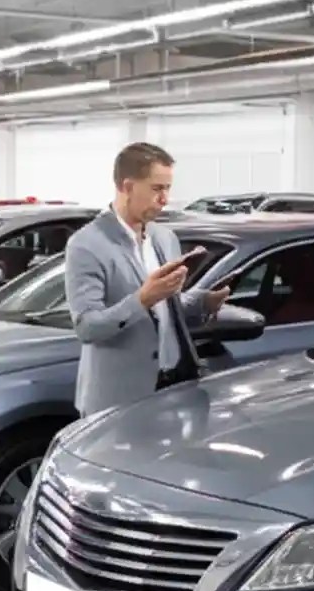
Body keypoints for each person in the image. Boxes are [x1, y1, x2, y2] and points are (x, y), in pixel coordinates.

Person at [65, 142, 229, 416]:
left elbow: (166, 308)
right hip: (117, 399)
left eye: (167, 189)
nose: (164, 199)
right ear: (127, 187)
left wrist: (202, 302)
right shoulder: (86, 245)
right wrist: (142, 299)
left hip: (173, 390)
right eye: (157, 189)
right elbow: (88, 327)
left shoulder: (164, 239)